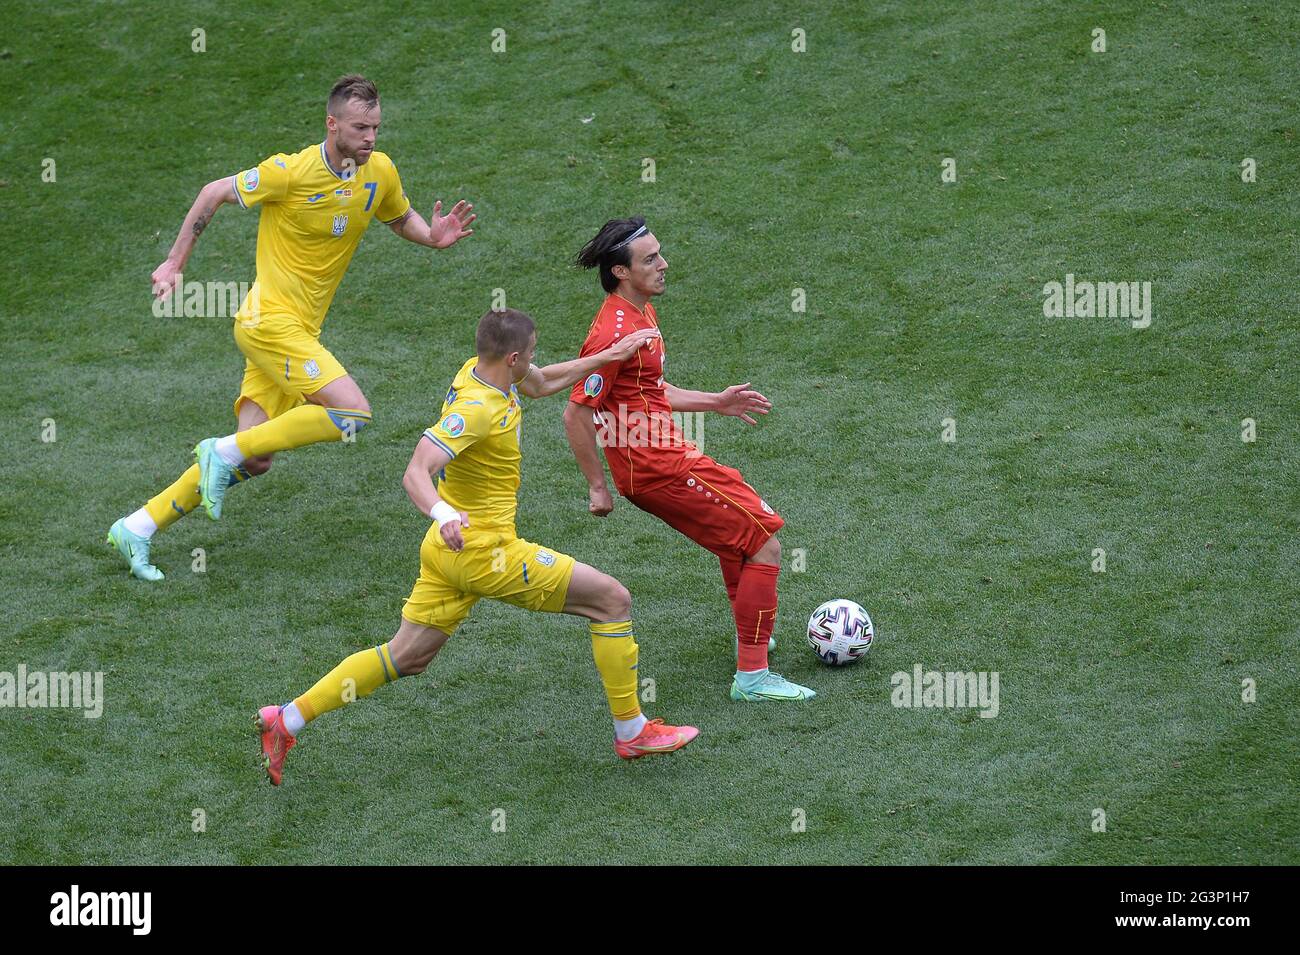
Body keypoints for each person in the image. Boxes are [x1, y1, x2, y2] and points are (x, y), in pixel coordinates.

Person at [255, 309, 698, 784]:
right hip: (486, 551)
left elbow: (543, 381)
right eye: (530, 353)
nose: (534, 360)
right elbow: (415, 471)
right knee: (612, 600)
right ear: (512, 357)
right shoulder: (476, 410)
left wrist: (608, 355)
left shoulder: (481, 370)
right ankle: (631, 731)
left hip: (448, 554)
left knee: (407, 656)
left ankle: (288, 718)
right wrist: (444, 514)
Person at [107, 74, 474, 581]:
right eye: (359, 127)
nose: (369, 137)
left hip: (297, 333)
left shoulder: (379, 171)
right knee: (351, 413)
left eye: (376, 128)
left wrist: (432, 238)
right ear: (332, 123)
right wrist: (174, 264)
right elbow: (212, 193)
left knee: (255, 457)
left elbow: (397, 216)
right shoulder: (289, 173)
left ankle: (138, 527)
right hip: (268, 324)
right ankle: (221, 450)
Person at [563, 217, 815, 702]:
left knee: (736, 541)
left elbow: (649, 391)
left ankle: (752, 640)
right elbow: (576, 414)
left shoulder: (640, 314)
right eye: (651, 259)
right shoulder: (612, 335)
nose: (664, 264)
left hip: (667, 457)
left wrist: (716, 402)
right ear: (620, 271)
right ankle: (753, 678)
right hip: (658, 468)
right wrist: (597, 486)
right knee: (764, 545)